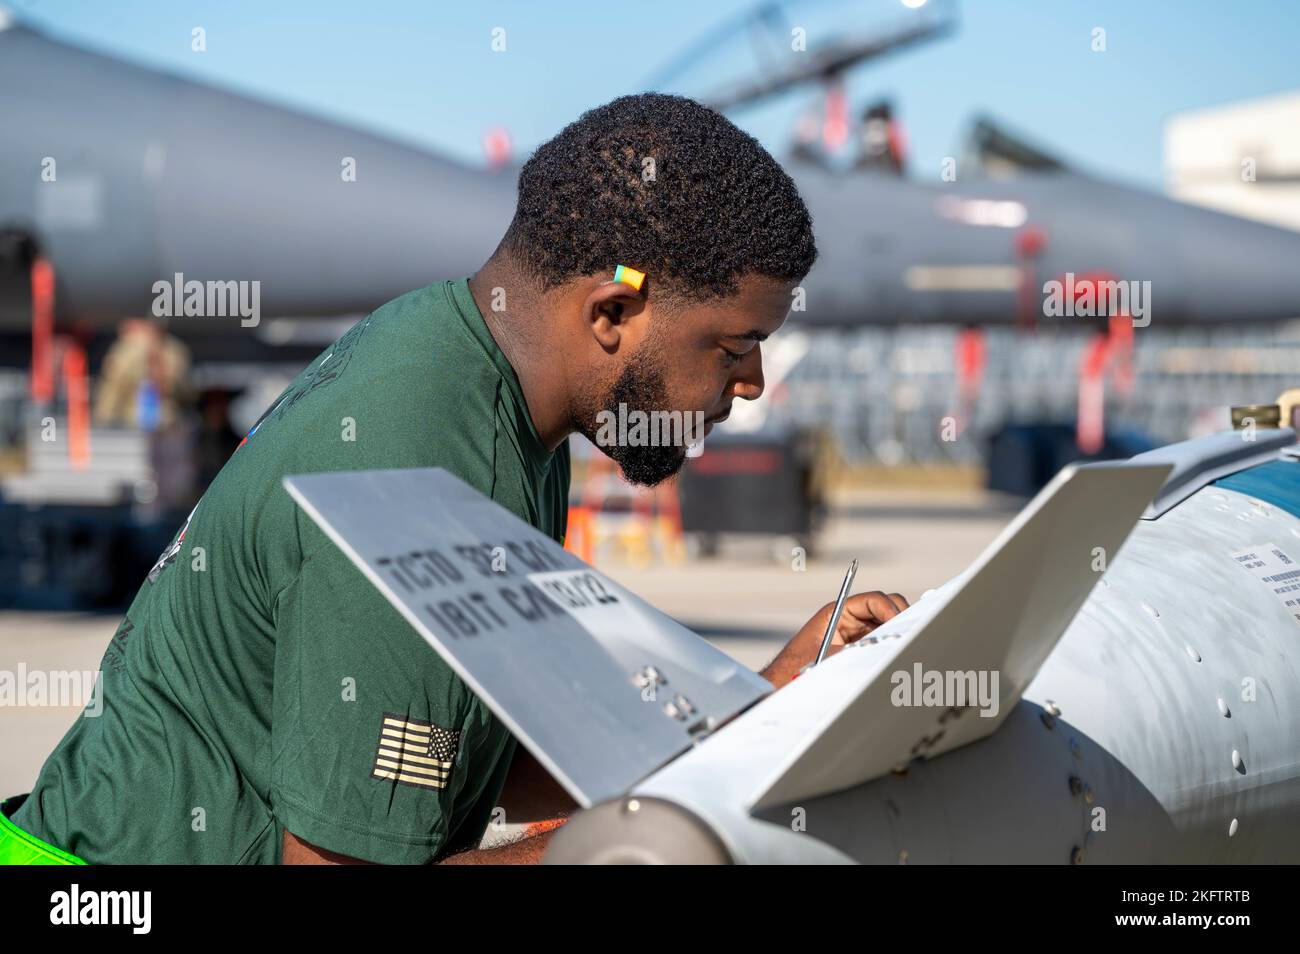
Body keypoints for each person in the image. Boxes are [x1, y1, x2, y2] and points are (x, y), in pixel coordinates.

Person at [0, 93, 907, 865]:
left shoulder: (502, 398)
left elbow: (470, 744)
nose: (749, 385)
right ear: (615, 312)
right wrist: (655, 838)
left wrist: (752, 717)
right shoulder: (418, 453)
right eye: (736, 346)